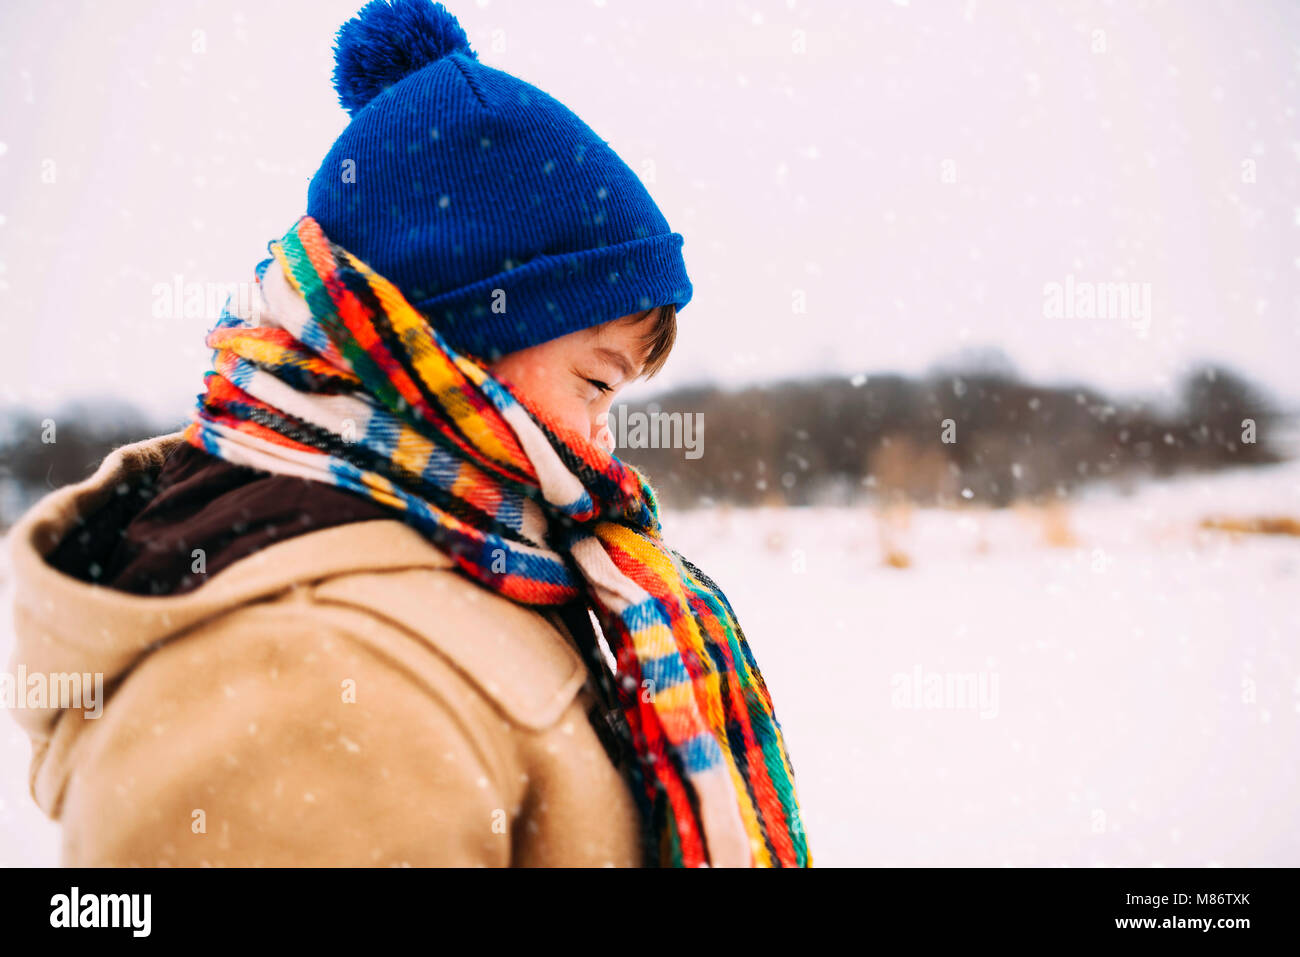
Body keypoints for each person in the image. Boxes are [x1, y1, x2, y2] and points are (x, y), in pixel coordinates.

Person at [5, 0, 810, 867]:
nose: (605, 448)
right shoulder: (307, 675)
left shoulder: (491, 564)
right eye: (595, 384)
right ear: (443, 342)